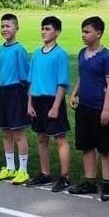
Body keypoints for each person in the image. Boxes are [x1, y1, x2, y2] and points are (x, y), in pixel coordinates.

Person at [68, 16, 109, 200]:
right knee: (86, 146)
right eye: (82, 31)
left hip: (99, 107)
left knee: (104, 148)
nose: (83, 35)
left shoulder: (106, 57)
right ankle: (90, 182)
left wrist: (106, 109)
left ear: (98, 33)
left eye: (87, 32)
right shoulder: (82, 53)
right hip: (84, 107)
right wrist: (74, 94)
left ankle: (107, 184)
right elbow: (82, 76)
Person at [26, 15, 72, 192]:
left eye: (48, 29)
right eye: (42, 29)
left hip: (53, 100)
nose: (43, 32)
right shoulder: (36, 54)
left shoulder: (60, 54)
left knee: (60, 139)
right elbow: (31, 81)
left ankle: (65, 177)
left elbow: (62, 83)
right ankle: (45, 174)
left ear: (57, 32)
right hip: (37, 100)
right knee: (41, 138)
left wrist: (55, 106)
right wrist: (29, 103)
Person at [0, 13, 32, 185]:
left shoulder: (19, 50)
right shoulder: (0, 49)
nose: (5, 29)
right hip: (4, 92)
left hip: (16, 91)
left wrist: (27, 98)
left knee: (18, 133)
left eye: (8, 26)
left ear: (16, 28)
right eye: (2, 26)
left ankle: (23, 170)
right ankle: (10, 167)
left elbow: (25, 76)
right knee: (6, 131)